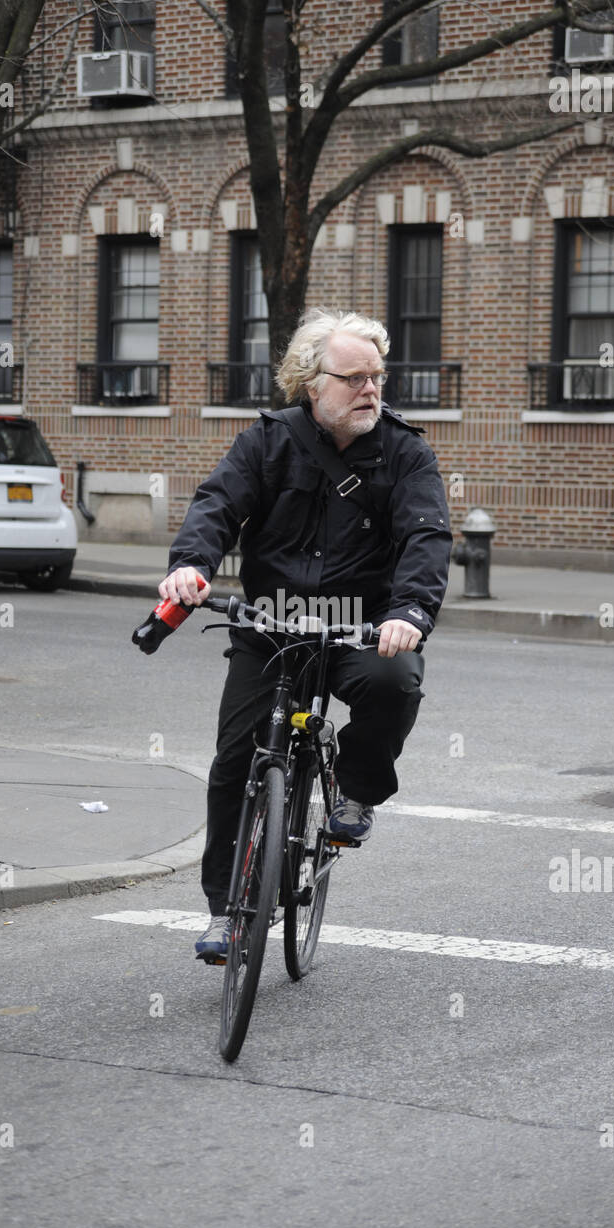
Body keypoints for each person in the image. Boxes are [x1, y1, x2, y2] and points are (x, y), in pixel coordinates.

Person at [158, 308, 452, 959]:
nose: (369, 390)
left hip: (360, 631)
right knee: (235, 762)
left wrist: (408, 612)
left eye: (376, 377)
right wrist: (189, 567)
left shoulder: (406, 452)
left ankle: (354, 788)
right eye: (353, 378)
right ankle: (226, 914)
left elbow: (426, 537)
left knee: (395, 682)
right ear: (311, 381)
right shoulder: (266, 442)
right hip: (272, 630)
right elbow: (217, 504)